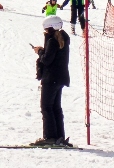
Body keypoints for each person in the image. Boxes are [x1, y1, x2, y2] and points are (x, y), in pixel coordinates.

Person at [32, 15, 72, 147]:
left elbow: (47, 60)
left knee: (46, 107)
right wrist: (43, 50)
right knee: (55, 107)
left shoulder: (52, 41)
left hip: (51, 78)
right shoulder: (62, 38)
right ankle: (58, 136)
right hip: (60, 78)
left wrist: (40, 52)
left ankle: (50, 137)